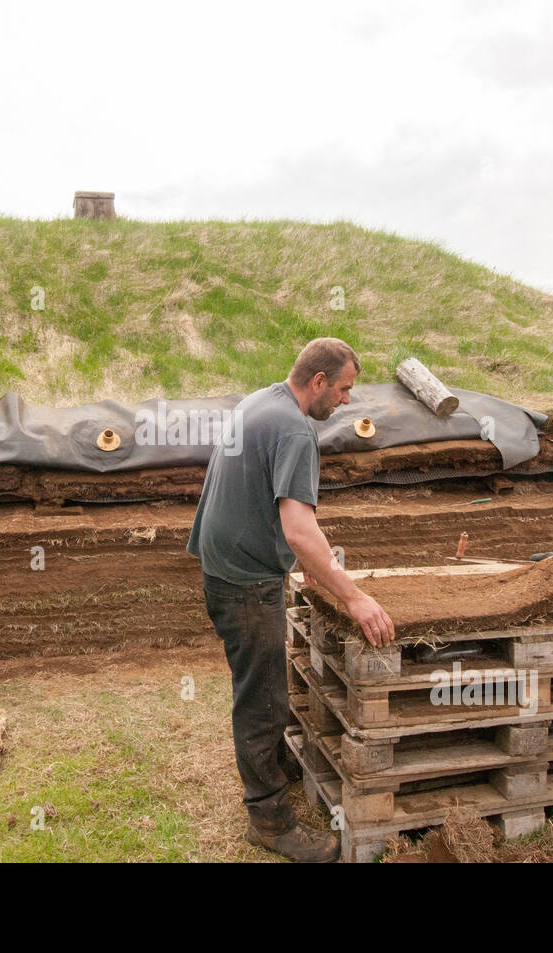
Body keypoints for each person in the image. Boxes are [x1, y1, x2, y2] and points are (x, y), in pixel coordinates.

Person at [187, 337, 395, 863]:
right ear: (319, 381)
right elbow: (301, 532)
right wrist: (354, 598)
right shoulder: (297, 430)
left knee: (263, 684)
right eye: (345, 389)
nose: (347, 402)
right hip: (245, 581)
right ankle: (270, 820)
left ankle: (274, 773)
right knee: (263, 700)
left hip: (222, 568)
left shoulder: (261, 400)